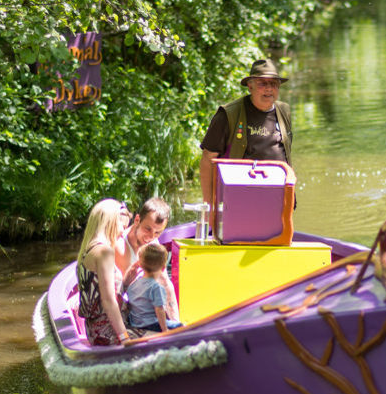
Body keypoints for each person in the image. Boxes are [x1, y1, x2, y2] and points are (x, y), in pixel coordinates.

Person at [198, 59, 296, 219]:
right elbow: (207, 159)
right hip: (237, 201)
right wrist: (209, 206)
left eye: (273, 83)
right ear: (250, 86)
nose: (269, 89)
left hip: (277, 199)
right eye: (262, 83)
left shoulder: (284, 111)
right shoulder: (228, 114)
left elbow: (286, 154)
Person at [76, 198, 135, 345]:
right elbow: (108, 301)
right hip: (108, 332)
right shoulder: (105, 252)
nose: (123, 234)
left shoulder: (88, 249)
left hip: (94, 330)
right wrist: (125, 338)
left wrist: (126, 280)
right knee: (167, 339)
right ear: (111, 223)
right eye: (122, 228)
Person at [125, 241, 182, 333]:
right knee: (181, 326)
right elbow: (159, 310)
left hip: (135, 324)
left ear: (140, 265)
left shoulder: (133, 284)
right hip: (151, 325)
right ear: (163, 268)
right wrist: (164, 329)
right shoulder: (156, 288)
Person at [115, 197, 171, 284]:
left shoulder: (154, 243)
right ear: (137, 220)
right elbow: (129, 289)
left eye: (157, 232)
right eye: (148, 229)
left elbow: (165, 281)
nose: (151, 237)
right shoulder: (121, 245)